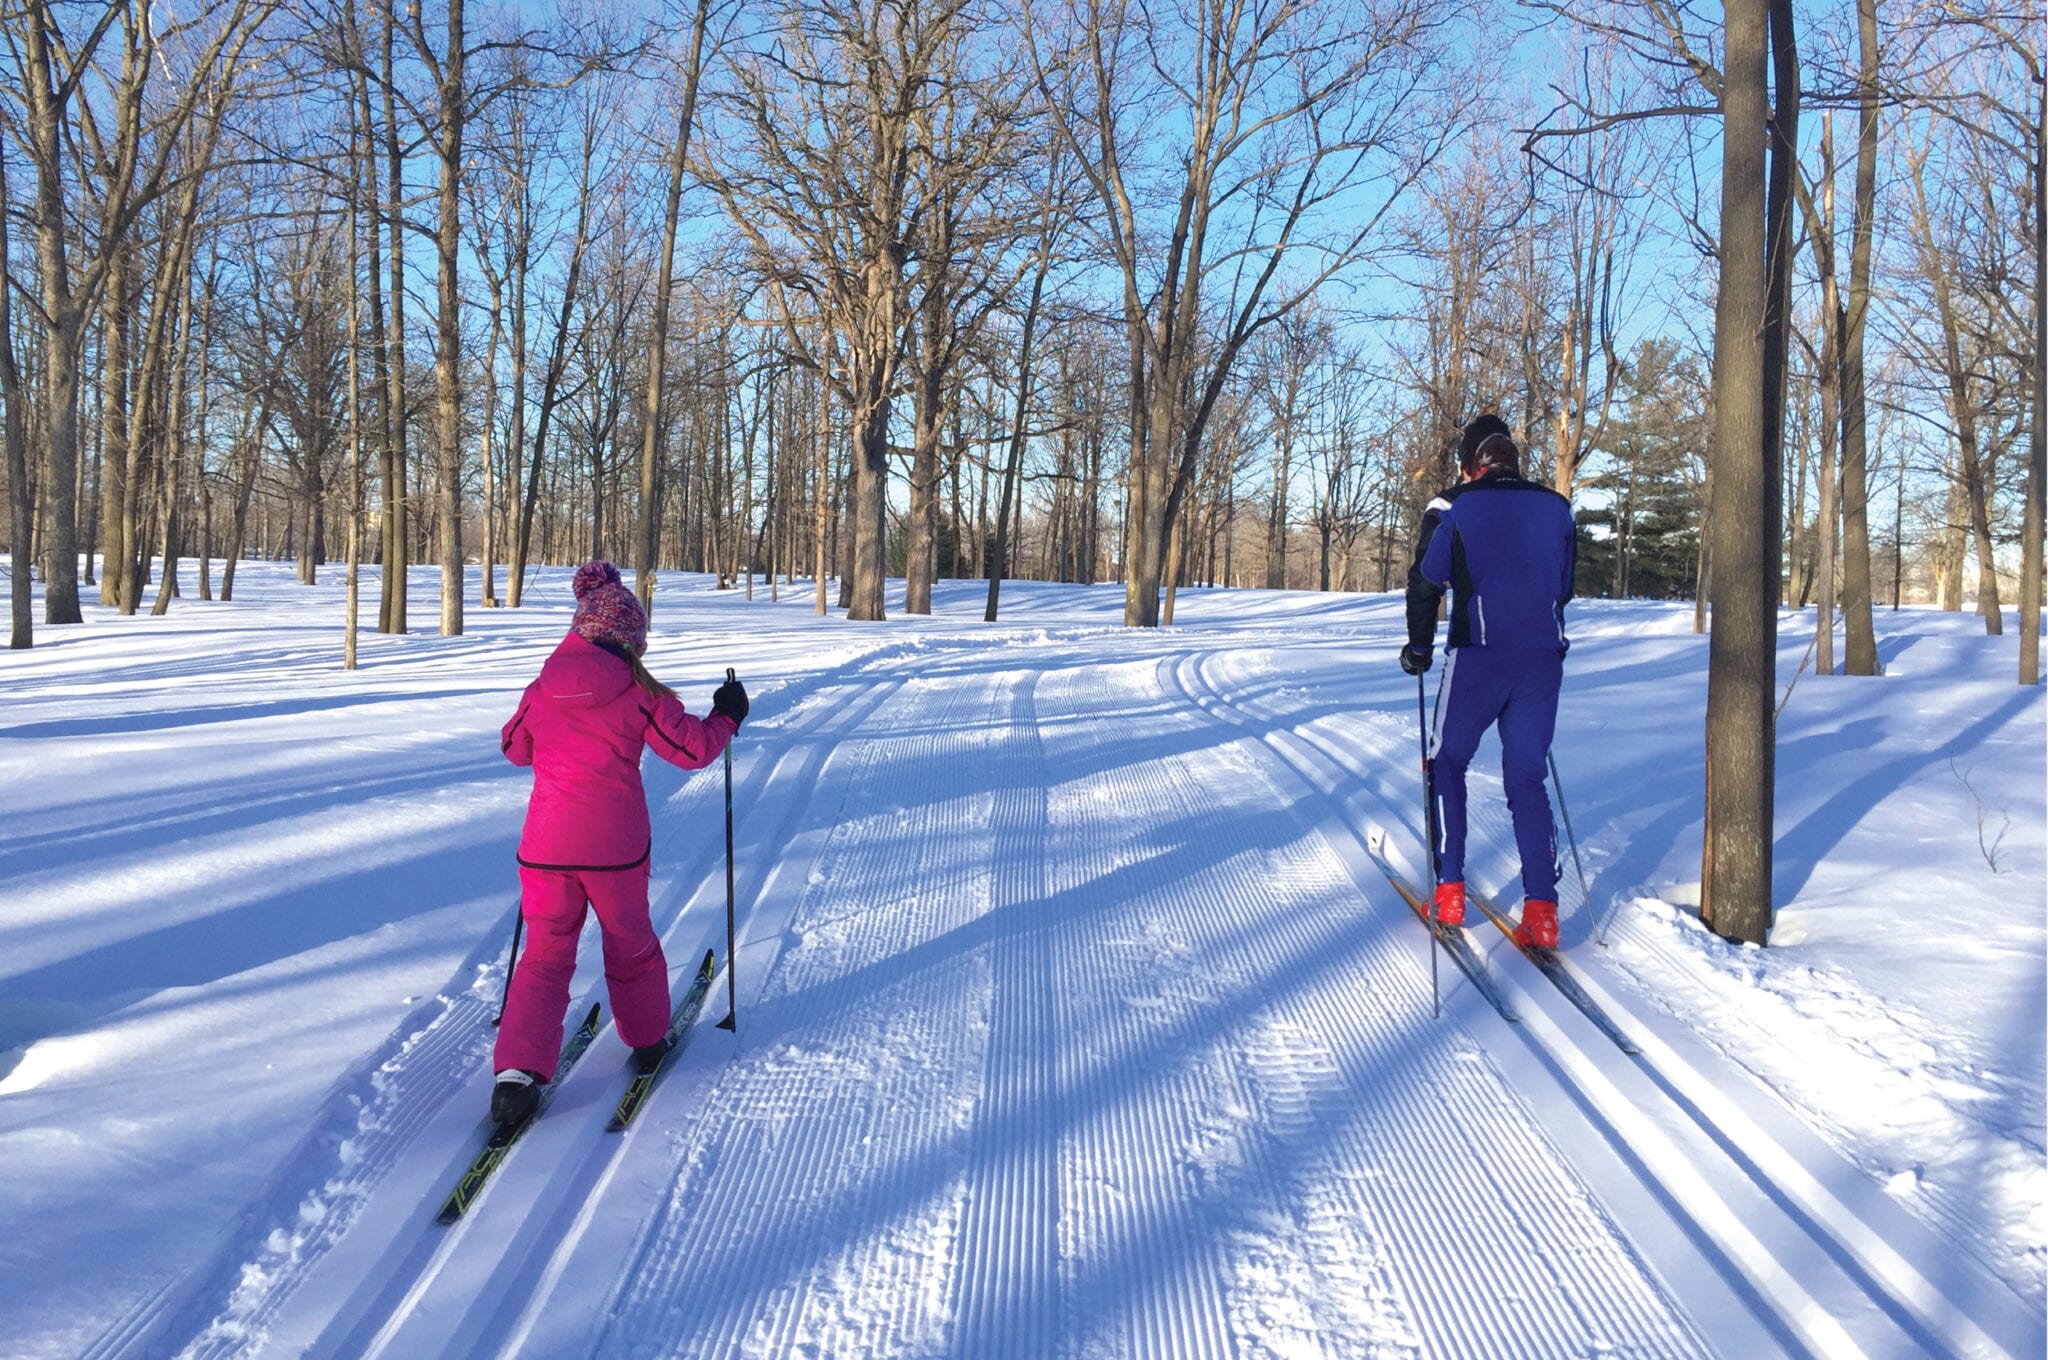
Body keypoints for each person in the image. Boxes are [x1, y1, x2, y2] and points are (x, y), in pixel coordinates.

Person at [492, 561, 749, 1124]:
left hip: (545, 850)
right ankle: (648, 1038)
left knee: (543, 956)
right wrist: (728, 715)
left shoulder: (541, 688)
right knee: (629, 945)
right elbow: (693, 751)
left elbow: (514, 747)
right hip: (614, 851)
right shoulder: (637, 693)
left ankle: (515, 1077)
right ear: (629, 638)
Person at [1400, 415, 1576, 948]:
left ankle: (1450, 890)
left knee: (1447, 761)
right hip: (1543, 660)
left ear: (1473, 465)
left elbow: (1427, 581)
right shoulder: (1557, 508)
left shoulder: (1459, 505)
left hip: (1478, 654)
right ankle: (1542, 911)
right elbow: (1564, 586)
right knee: (1526, 777)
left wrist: (1420, 648)